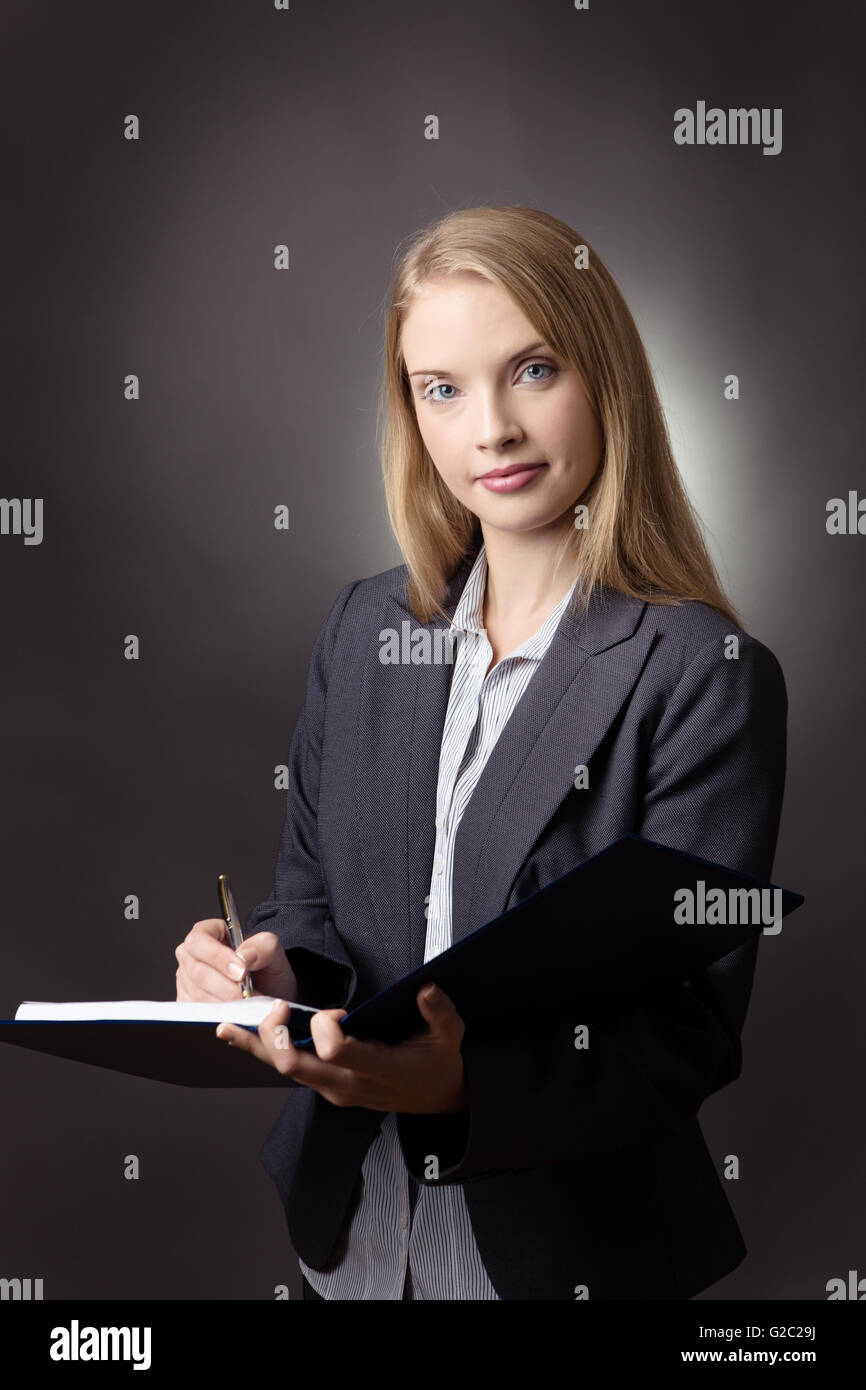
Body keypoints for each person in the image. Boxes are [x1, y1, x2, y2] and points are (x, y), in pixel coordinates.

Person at [174, 205, 787, 1300]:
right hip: (351, 1237)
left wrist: (463, 1089)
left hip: (567, 1255)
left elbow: (685, 1033)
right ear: (410, 412)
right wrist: (265, 963)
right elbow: (315, 907)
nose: (488, 429)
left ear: (604, 379)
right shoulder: (364, 630)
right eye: (441, 388)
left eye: (533, 369)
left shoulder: (702, 671)